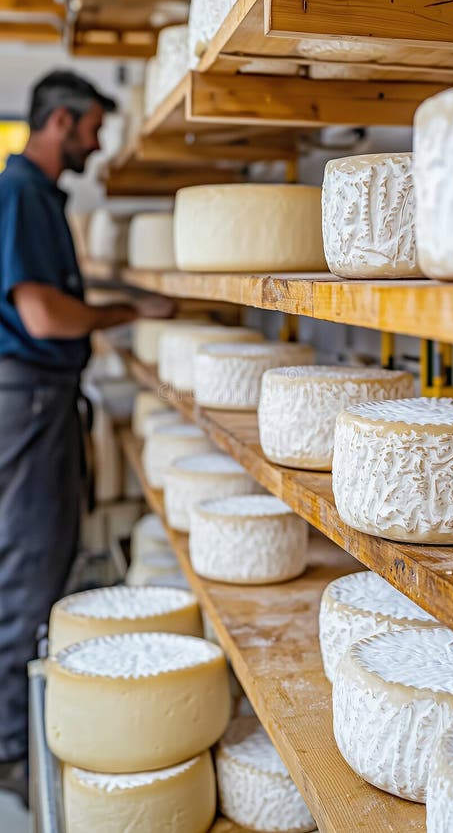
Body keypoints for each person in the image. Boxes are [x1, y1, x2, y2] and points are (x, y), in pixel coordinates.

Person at [0, 69, 173, 798]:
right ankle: (11, 747)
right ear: (62, 122)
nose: (100, 144)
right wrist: (126, 316)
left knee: (35, 556)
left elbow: (60, 299)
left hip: (37, 397)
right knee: (31, 566)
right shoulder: (21, 194)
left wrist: (126, 300)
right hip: (31, 397)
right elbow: (43, 315)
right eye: (95, 127)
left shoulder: (35, 195)